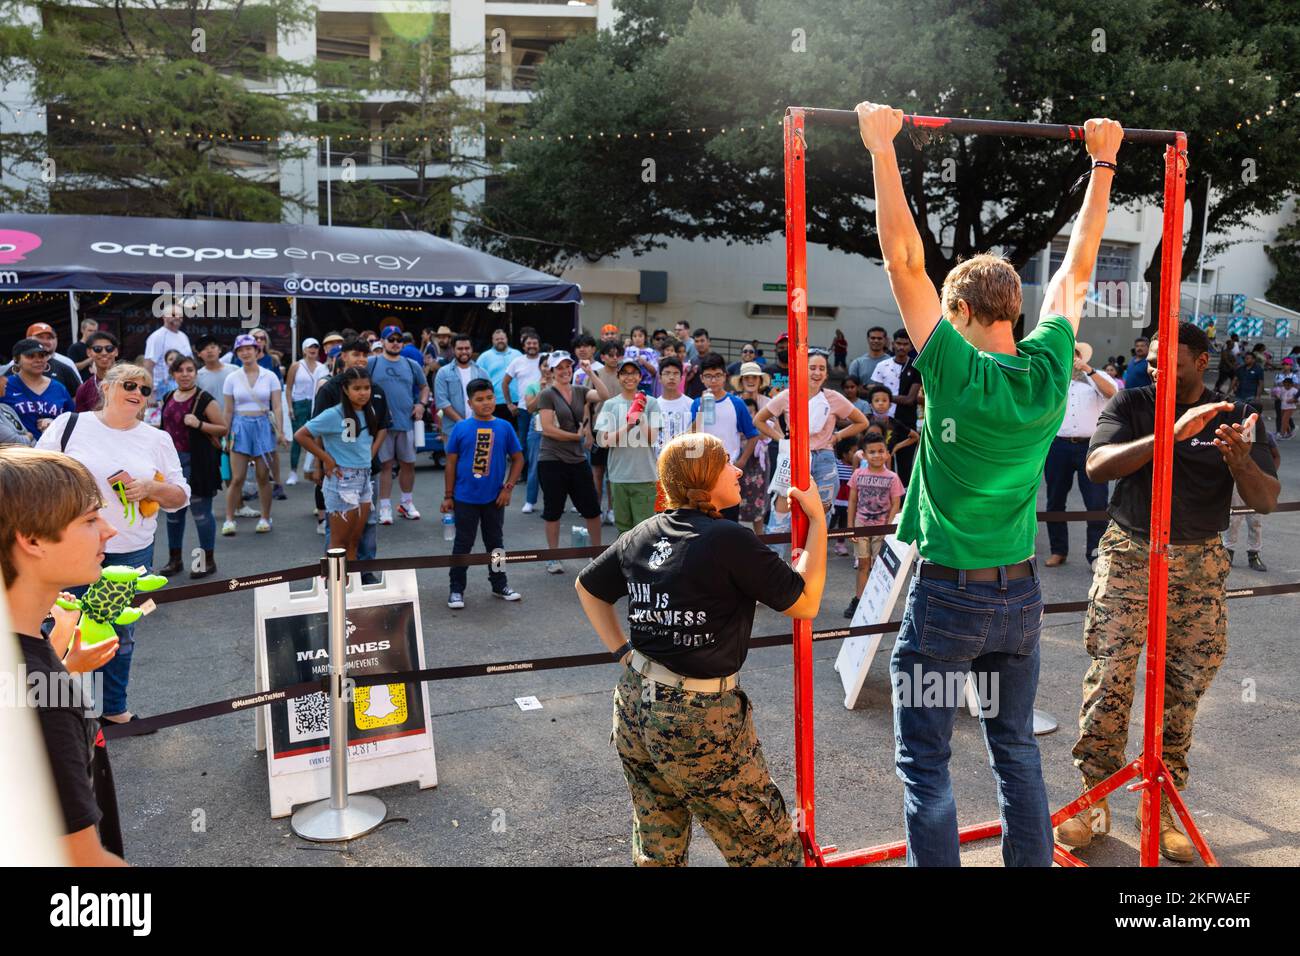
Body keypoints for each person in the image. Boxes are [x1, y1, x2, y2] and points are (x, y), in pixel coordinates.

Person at [857, 100, 1124, 866]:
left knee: (927, 761)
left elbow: (905, 261)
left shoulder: (954, 369)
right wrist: (1103, 163)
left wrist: (882, 147)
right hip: (1018, 604)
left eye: (946, 311)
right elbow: (1077, 265)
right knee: (1015, 752)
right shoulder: (1047, 369)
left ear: (964, 311)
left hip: (948, 604)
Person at [1056, 321, 1280, 861]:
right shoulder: (1133, 403)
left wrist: (1240, 460)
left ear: (1202, 362)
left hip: (1200, 563)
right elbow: (1097, 464)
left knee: (1184, 686)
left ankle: (1165, 803)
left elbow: (1267, 498)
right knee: (1110, 676)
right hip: (1130, 554)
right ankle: (1093, 798)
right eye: (1152, 358)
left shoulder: (1232, 415)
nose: (1156, 368)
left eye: (1169, 361)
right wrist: (1169, 434)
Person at [575, 431, 828, 867]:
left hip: (636, 701)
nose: (737, 470)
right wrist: (819, 523)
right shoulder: (730, 539)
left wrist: (622, 652)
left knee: (658, 842)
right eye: (726, 463)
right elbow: (804, 602)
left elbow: (588, 587)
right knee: (766, 846)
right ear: (704, 479)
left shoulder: (644, 532)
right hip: (698, 717)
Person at [36, 363, 190, 727]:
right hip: (69, 545)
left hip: (129, 549)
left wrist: (151, 489)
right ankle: (55, 711)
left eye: (146, 389)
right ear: (105, 386)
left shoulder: (156, 439)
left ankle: (113, 708)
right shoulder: (70, 424)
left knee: (120, 632)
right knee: (59, 626)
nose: (138, 392)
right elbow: (37, 473)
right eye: (130, 384)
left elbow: (180, 496)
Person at [0, 446, 128, 865]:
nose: (109, 531)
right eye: (90, 520)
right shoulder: (44, 703)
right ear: (32, 539)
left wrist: (64, 663)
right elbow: (85, 862)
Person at [756, 349, 868, 524]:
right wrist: (782, 440)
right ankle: (776, 553)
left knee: (820, 518)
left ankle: (813, 552)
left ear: (826, 373)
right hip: (794, 458)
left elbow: (862, 422)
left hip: (825, 460)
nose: (817, 373)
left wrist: (838, 436)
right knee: (781, 516)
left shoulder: (833, 397)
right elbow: (759, 420)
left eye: (822, 368)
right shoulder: (787, 395)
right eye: (812, 367)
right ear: (802, 369)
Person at [311, 339, 392, 577]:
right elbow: (314, 432)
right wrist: (323, 461)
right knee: (337, 528)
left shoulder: (375, 389)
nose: (362, 359)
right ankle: (334, 575)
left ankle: (364, 572)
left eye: (365, 354)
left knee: (367, 524)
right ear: (342, 356)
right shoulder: (330, 390)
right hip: (339, 472)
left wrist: (370, 454)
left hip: (367, 469)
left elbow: (383, 426)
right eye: (356, 354)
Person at [442, 378, 525, 608]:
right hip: (464, 498)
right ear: (470, 403)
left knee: (495, 545)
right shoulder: (461, 428)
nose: (486, 403)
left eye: (489, 398)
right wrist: (448, 496)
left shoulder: (504, 427)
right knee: (462, 544)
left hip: (494, 499)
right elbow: (450, 464)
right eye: (479, 400)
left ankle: (500, 585)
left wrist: (508, 488)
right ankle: (456, 589)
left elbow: (518, 459)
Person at [295, 366, 385, 561]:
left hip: (364, 478)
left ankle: (349, 586)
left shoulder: (368, 410)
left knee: (354, 539)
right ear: (345, 389)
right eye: (357, 388)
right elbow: (301, 435)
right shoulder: (334, 413)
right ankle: (334, 587)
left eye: (367, 388)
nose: (363, 393)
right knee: (338, 542)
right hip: (343, 480)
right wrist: (326, 458)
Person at [1043, 342, 1120, 567]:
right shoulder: (1055, 381)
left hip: (1091, 446)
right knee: (1055, 500)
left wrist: (1088, 371)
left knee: (1096, 502)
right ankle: (1058, 550)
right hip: (1059, 446)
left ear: (1080, 357)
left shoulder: (1097, 377)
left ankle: (1095, 554)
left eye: (1074, 355)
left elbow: (1113, 393)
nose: (1071, 360)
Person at [536, 351, 609, 574]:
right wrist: (577, 437)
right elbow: (548, 429)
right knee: (553, 510)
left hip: (577, 459)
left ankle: (596, 554)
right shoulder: (547, 394)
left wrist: (590, 372)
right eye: (560, 367)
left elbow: (605, 395)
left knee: (592, 510)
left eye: (568, 366)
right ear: (552, 371)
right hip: (551, 459)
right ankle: (553, 557)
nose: (565, 370)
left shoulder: (581, 390)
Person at [157, 355, 227, 579]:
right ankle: (174, 560)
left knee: (201, 514)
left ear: (196, 373)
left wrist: (199, 424)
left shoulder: (205, 399)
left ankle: (206, 562)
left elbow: (222, 428)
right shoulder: (168, 396)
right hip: (171, 464)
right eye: (180, 370)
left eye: (189, 370)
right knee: (173, 514)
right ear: (173, 374)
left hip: (197, 463)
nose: (185, 374)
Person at [221, 334, 284, 535]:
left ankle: (266, 517)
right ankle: (229, 519)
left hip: (263, 425)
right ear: (237, 353)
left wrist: (280, 431)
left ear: (258, 351)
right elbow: (228, 410)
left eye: (249, 348)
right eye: (241, 350)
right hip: (240, 426)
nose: (245, 353)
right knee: (236, 477)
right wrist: (226, 433)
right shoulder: (232, 377)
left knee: (263, 476)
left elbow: (277, 406)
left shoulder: (270, 376)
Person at [689, 354, 760, 522]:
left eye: (717, 375)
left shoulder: (737, 403)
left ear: (724, 376)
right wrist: (701, 410)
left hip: (727, 471)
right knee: (703, 523)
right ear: (702, 378)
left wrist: (741, 461)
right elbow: (691, 435)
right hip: (702, 472)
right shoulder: (696, 403)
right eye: (708, 376)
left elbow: (753, 435)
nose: (713, 380)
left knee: (728, 522)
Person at [369, 325, 429, 523]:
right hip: (382, 425)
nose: (395, 343)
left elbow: (424, 387)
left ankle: (406, 503)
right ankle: (384, 506)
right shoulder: (373, 362)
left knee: (408, 464)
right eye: (391, 339)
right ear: (383, 341)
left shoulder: (412, 364)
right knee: (385, 466)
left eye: (398, 340)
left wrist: (421, 404)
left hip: (407, 422)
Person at [595, 357, 660, 535]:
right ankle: (626, 563)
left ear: (640, 377)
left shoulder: (651, 403)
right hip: (619, 477)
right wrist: (628, 426)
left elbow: (653, 438)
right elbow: (604, 441)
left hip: (645, 477)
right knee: (623, 530)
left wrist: (640, 419)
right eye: (624, 373)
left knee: (645, 531)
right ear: (618, 377)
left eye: (633, 373)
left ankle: (642, 563)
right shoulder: (610, 404)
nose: (629, 377)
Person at [843, 432, 904, 618]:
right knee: (863, 564)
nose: (877, 455)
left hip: (881, 528)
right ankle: (859, 599)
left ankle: (878, 603)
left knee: (880, 567)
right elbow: (852, 501)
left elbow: (896, 504)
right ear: (864, 454)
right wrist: (850, 526)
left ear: (886, 453)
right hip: (861, 525)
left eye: (880, 451)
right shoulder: (858, 475)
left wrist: (888, 529)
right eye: (872, 452)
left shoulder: (892, 478)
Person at [1223, 434, 1280, 572]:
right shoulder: (1235, 433)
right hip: (1237, 482)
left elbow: (1276, 456)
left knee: (1255, 520)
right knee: (1233, 519)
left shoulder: (1265, 436)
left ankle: (1253, 554)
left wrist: (1270, 475)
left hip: (1257, 484)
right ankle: (1228, 552)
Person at [2, 338, 75, 437]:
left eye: (42, 355)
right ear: (16, 360)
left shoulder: (58, 388)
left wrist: (54, 424)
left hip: (54, 450)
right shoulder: (5, 385)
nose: (38, 360)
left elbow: (73, 422)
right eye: (30, 356)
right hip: (19, 450)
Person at [285, 338, 331, 485]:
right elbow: (289, 387)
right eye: (310, 347)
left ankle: (313, 469)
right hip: (299, 404)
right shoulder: (296, 366)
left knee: (316, 438)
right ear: (304, 349)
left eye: (316, 347)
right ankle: (293, 472)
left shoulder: (321, 367)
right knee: (298, 439)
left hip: (315, 404)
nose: (313, 349)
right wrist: (290, 407)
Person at [591, 340, 625, 524]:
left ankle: (612, 509)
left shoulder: (625, 375)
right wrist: (587, 432)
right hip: (599, 427)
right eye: (610, 354)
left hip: (619, 429)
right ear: (602, 356)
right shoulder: (596, 374)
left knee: (613, 473)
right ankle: (596, 509)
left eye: (617, 354)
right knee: (597, 472)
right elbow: (587, 403)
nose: (614, 358)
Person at [0, 322, 82, 395]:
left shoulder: (66, 362)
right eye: (40, 337)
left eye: (49, 338)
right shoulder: (15, 365)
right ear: (28, 339)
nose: (46, 341)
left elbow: (79, 394)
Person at [434, 334, 488, 441]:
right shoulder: (443, 373)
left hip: (479, 428)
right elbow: (442, 402)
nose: (464, 351)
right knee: (454, 458)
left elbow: (488, 399)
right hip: (452, 430)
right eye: (460, 349)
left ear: (472, 349)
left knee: (476, 458)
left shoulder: (481, 372)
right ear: (453, 350)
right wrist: (462, 423)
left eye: (467, 348)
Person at [520, 357, 554, 514]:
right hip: (537, 429)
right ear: (540, 367)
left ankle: (559, 501)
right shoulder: (533, 386)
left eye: (550, 365)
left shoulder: (561, 385)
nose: (547, 368)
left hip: (557, 428)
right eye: (544, 365)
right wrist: (542, 390)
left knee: (560, 466)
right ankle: (530, 501)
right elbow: (530, 408)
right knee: (534, 466)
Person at [141, 303, 193, 398]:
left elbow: (190, 364)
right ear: (164, 317)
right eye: (173, 315)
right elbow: (148, 367)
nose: (177, 317)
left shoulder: (184, 336)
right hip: (162, 392)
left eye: (180, 315)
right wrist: (150, 395)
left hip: (183, 391)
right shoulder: (157, 337)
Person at [503, 330, 543, 452]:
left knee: (543, 442)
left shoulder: (546, 359)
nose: (532, 346)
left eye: (534, 343)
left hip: (544, 407)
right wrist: (509, 404)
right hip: (524, 409)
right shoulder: (517, 361)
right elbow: (505, 383)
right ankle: (524, 471)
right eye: (528, 343)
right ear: (523, 346)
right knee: (523, 442)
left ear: (539, 345)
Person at [477, 328, 523, 423]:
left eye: (502, 338)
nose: (500, 341)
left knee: (518, 434)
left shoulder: (517, 354)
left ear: (507, 339)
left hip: (517, 400)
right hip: (495, 402)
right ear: (492, 341)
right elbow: (478, 380)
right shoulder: (484, 357)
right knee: (498, 433)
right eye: (497, 339)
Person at [73, 331, 120, 413]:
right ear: (89, 352)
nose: (104, 353)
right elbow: (81, 421)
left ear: (116, 351)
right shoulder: (83, 389)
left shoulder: (129, 382)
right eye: (97, 349)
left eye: (109, 349)